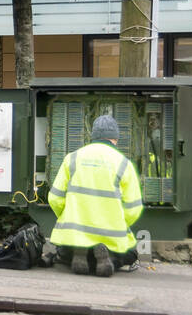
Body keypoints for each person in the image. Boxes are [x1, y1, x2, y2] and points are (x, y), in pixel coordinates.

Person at [46, 113, 143, 277]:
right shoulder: (123, 163)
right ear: (115, 139)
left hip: (75, 234)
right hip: (111, 236)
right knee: (130, 255)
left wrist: (66, 215)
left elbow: (55, 198)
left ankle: (79, 252)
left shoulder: (73, 158)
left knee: (62, 252)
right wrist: (119, 222)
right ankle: (110, 259)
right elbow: (134, 208)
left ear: (93, 136)